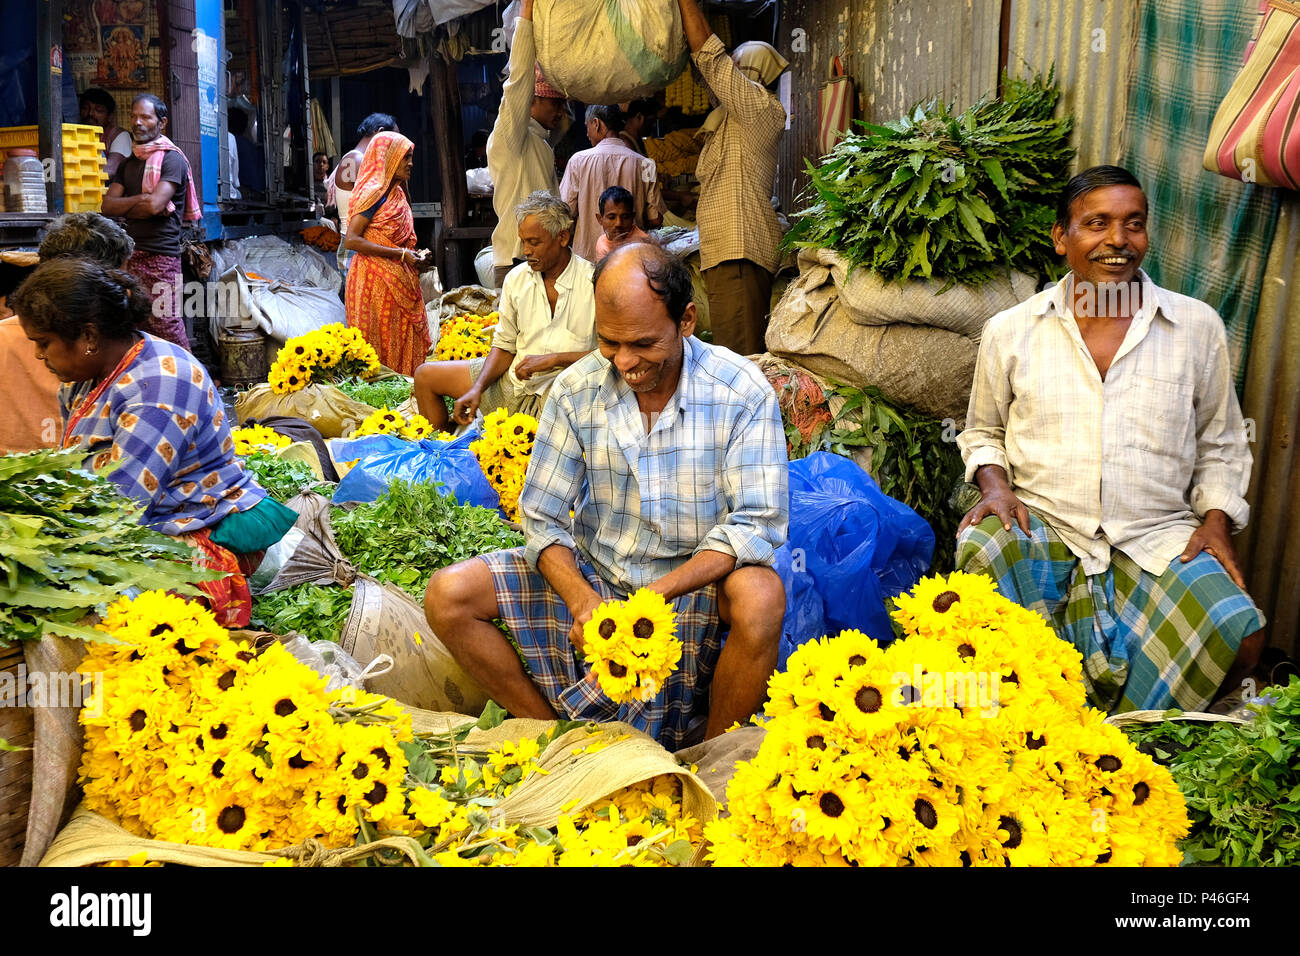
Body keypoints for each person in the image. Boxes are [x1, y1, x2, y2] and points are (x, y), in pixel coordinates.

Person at [424, 243, 788, 748]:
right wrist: (585, 603)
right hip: (598, 570)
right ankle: (553, 737)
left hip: (692, 586)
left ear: (686, 320)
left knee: (761, 596)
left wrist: (647, 602)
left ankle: (711, 753)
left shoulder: (741, 391)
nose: (625, 362)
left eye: (642, 343)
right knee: (448, 596)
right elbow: (541, 516)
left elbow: (755, 524)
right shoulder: (577, 388)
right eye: (609, 343)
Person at [955, 165, 1265, 715]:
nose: (1117, 241)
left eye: (1133, 224)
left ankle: (1128, 738)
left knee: (1238, 631)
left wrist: (1216, 520)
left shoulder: (1195, 326)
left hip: (1155, 532)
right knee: (981, 559)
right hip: (1047, 522)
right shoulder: (1012, 330)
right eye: (1096, 223)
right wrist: (995, 487)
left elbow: (1221, 442)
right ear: (1061, 238)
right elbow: (983, 430)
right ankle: (1022, 723)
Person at [10, 259, 297, 627]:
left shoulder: (157, 389)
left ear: (89, 336)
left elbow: (120, 508)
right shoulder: (90, 375)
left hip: (192, 527)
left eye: (43, 343)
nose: (38, 355)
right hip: (144, 517)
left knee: (89, 608)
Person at [413, 191, 595, 429]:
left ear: (562, 237)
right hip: (514, 383)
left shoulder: (594, 281)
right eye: (523, 241)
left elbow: (610, 355)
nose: (526, 250)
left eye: (534, 242)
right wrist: (478, 388)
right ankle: (438, 453)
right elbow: (504, 345)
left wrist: (553, 360)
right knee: (425, 375)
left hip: (568, 391)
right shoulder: (516, 280)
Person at [676, 0, 787, 357]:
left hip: (740, 254)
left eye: (737, 66)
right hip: (727, 254)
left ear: (752, 72)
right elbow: (709, 75)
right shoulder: (731, 119)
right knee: (733, 351)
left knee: (739, 358)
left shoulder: (759, 109)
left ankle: (741, 415)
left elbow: (712, 61)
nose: (730, 76)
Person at [101, 93, 201, 352]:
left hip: (161, 258)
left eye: (145, 117)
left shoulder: (172, 160)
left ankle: (195, 380)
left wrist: (141, 204)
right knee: (137, 324)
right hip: (131, 256)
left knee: (166, 324)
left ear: (162, 123)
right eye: (134, 116)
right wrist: (143, 200)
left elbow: (156, 205)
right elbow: (108, 206)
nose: (137, 122)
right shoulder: (129, 164)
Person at [487, 0, 567, 288]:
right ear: (531, 100)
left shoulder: (542, 144)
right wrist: (527, 16)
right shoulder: (512, 136)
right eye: (554, 103)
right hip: (516, 261)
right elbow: (519, 80)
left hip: (547, 260)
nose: (560, 112)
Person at [343, 131, 433, 376]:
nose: (411, 163)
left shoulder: (398, 193)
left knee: (402, 339)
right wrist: (401, 254)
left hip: (398, 279)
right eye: (405, 158)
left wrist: (414, 255)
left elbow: (400, 242)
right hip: (372, 281)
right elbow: (352, 240)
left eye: (410, 157)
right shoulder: (374, 193)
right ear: (389, 158)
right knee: (377, 349)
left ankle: (405, 398)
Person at [559, 105, 664, 262]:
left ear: (597, 123)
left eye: (587, 126)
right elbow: (656, 219)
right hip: (632, 259)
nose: (587, 133)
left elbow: (564, 213)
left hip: (588, 260)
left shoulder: (577, 161)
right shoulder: (646, 164)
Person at [328, 113, 399, 275]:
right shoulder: (356, 160)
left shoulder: (357, 159)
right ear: (379, 132)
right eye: (394, 140)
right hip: (356, 248)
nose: (395, 147)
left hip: (362, 246)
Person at [79, 87, 131, 177]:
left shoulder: (120, 136)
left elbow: (110, 170)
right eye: (85, 108)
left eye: (98, 110)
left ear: (109, 116)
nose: (90, 113)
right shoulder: (76, 134)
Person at [593, 186, 653, 261]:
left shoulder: (643, 243)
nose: (618, 223)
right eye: (612, 217)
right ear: (600, 219)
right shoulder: (602, 243)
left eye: (625, 217)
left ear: (632, 217)